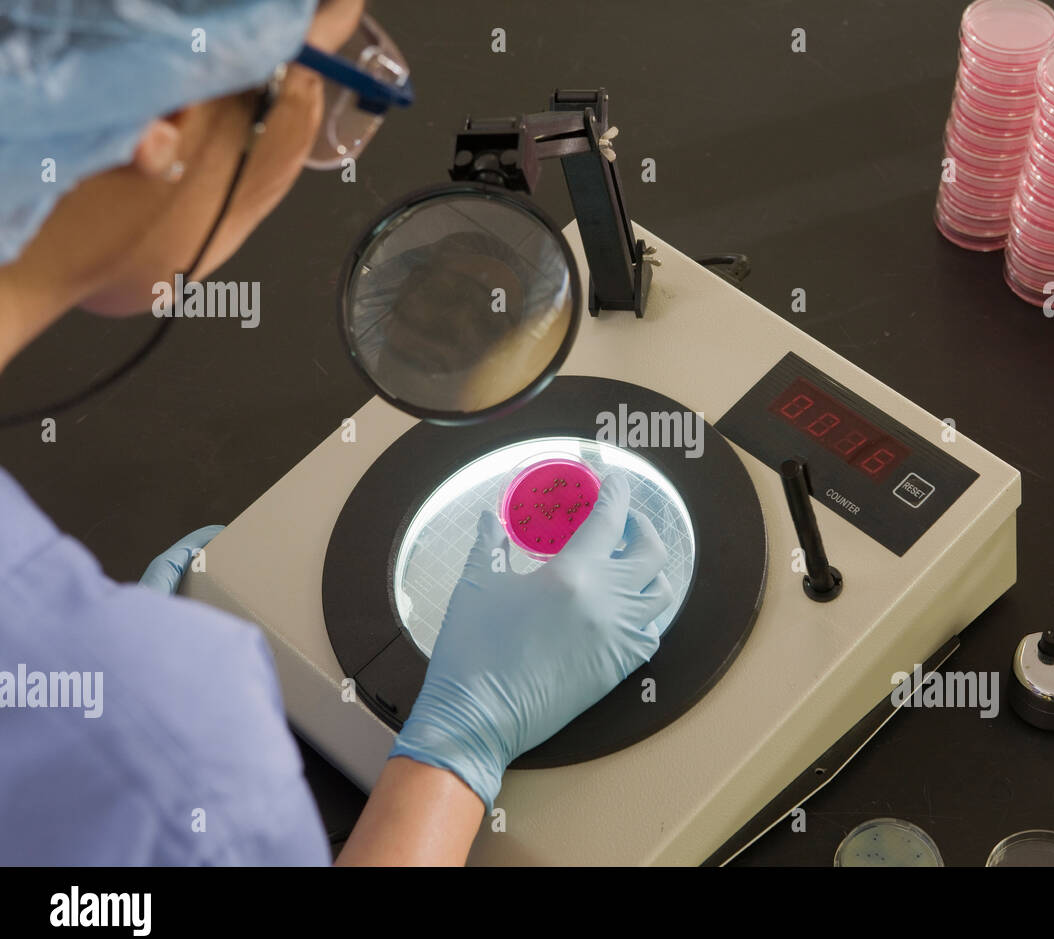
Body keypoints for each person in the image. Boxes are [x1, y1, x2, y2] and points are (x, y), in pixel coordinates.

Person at [0, 0, 672, 865]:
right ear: (166, 118)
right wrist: (460, 745)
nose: (323, 127)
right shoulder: (168, 769)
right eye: (327, 69)